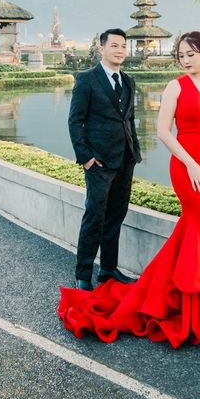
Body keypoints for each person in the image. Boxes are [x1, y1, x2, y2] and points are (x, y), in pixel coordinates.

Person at [58, 31, 200, 353]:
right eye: (181, 55)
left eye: (190, 54)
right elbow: (161, 132)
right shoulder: (174, 86)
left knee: (194, 235)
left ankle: (191, 308)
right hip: (187, 169)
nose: (185, 60)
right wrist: (192, 163)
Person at [68, 28, 142, 290]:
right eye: (114, 46)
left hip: (125, 160)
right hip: (98, 163)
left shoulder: (128, 81)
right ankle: (83, 274)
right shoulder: (87, 79)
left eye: (123, 46)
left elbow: (130, 120)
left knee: (116, 216)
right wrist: (86, 158)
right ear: (102, 48)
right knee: (94, 216)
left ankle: (108, 269)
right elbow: (75, 121)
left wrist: (135, 151)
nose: (120, 50)